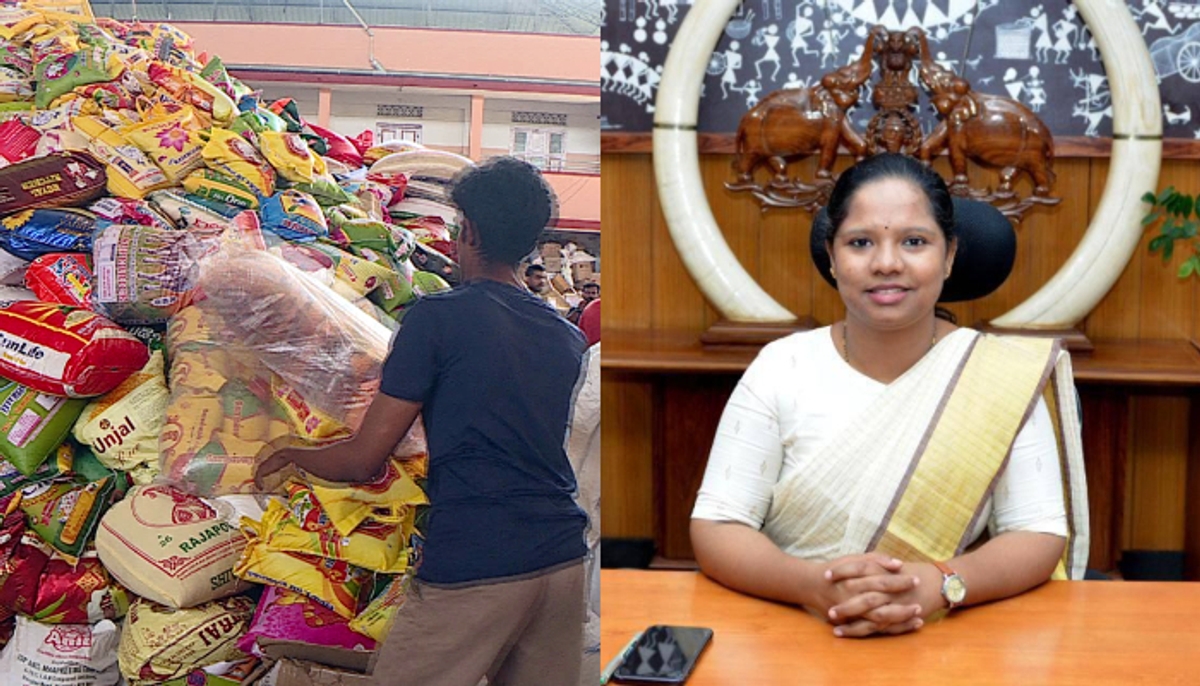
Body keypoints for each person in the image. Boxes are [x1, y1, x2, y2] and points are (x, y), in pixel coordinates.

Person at [690, 153, 1088, 639]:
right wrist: (812, 586)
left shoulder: (999, 375)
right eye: (860, 243)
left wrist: (940, 584)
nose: (886, 263)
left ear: (948, 256)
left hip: (948, 637)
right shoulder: (781, 366)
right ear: (833, 258)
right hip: (793, 629)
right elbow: (718, 526)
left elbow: (1038, 533)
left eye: (914, 242)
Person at [256, 156, 588, 685]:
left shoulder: (439, 317)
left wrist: (290, 455)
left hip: (479, 556)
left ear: (469, 230)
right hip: (563, 560)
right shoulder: (564, 335)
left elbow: (363, 461)